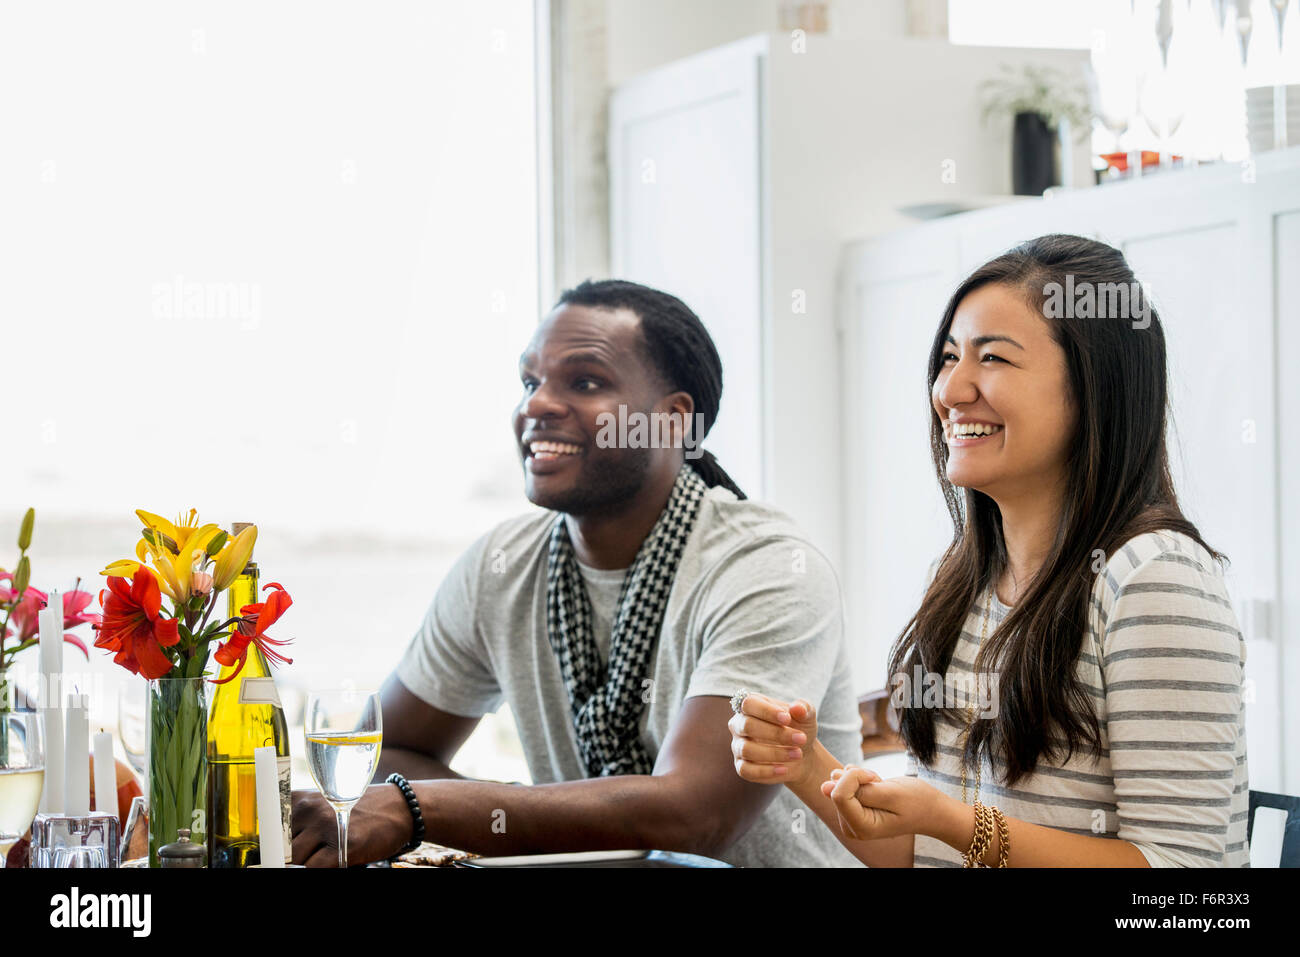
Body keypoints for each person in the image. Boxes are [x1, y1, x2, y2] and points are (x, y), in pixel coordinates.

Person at [292, 279, 862, 867]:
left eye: (585, 382)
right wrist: (501, 817)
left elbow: (693, 818)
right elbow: (392, 751)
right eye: (530, 382)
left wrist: (420, 810)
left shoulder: (766, 568)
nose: (536, 405)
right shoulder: (501, 566)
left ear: (672, 420)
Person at [728, 234, 1249, 867]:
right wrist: (807, 765)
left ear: (1094, 388)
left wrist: (960, 824)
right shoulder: (966, 581)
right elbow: (921, 856)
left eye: (993, 359)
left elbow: (1180, 877)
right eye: (948, 358)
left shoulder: (1154, 577)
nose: (950, 390)